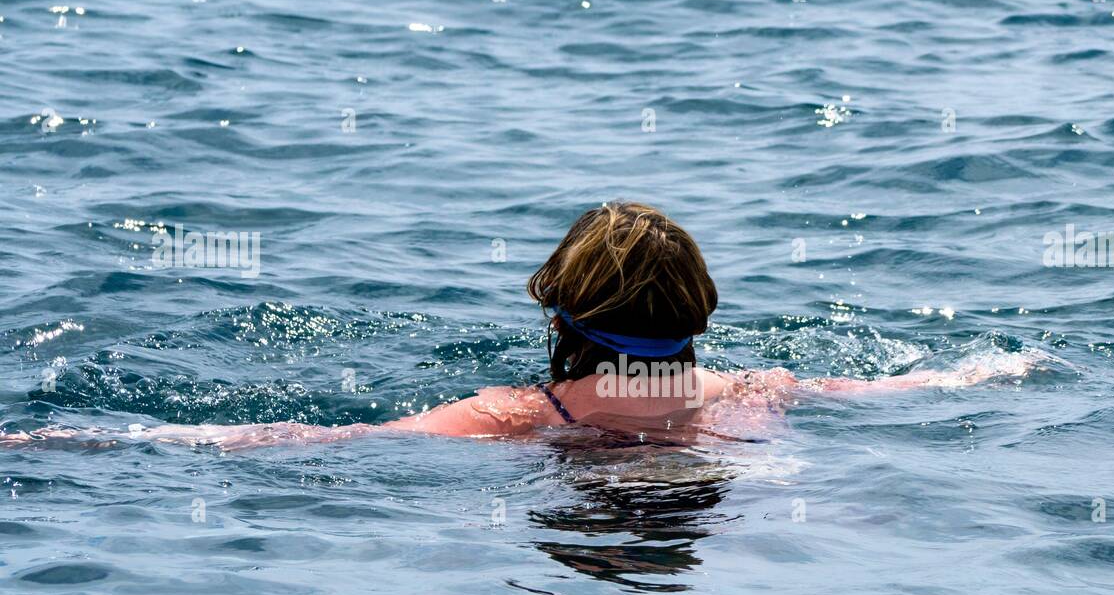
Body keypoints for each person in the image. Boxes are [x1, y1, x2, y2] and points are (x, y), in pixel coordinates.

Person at [1, 202, 1041, 451]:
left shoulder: (511, 416)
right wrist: (1006, 366)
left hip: (585, 505)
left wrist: (62, 437)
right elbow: (924, 386)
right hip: (739, 507)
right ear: (699, 311)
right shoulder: (754, 389)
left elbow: (299, 443)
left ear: (558, 308)